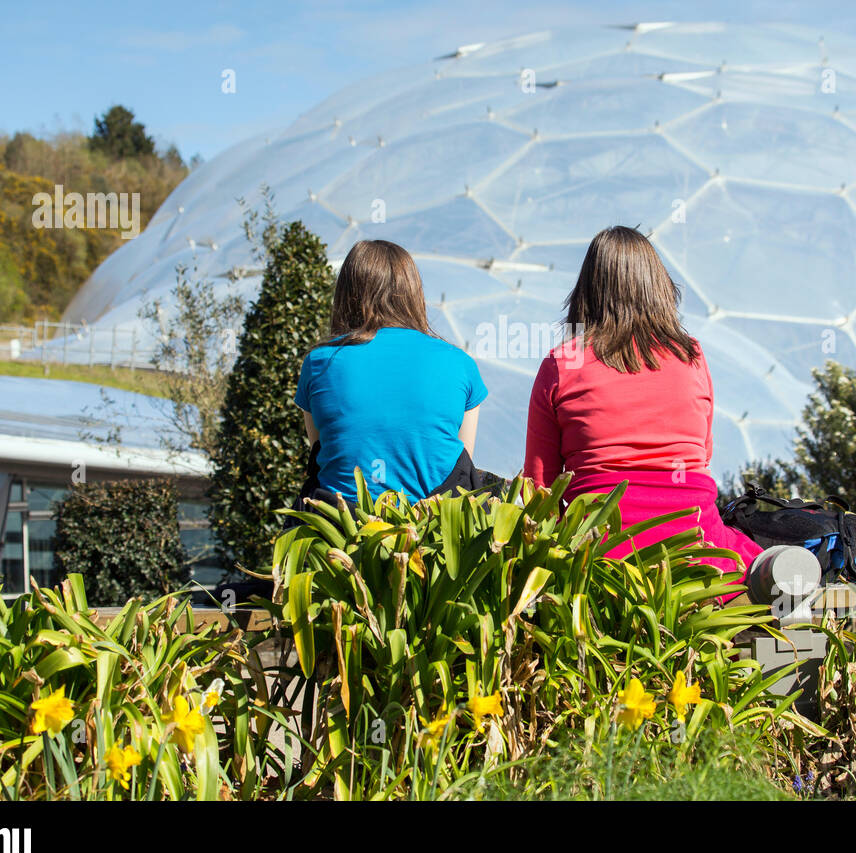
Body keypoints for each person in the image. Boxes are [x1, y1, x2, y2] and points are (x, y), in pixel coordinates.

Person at [523, 226, 762, 586]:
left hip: (599, 549)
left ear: (587, 291)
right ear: (659, 287)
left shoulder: (562, 363)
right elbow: (702, 454)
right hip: (694, 541)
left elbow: (539, 486)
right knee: (748, 554)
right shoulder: (692, 356)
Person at [292, 239, 495, 508]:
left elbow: (323, 452)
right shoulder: (460, 364)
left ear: (346, 294)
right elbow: (460, 467)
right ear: (413, 292)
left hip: (342, 531)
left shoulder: (319, 363)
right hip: (433, 532)